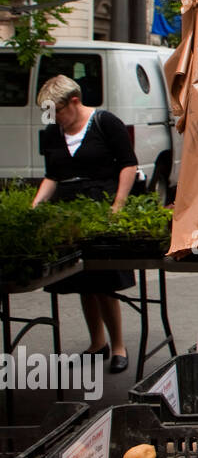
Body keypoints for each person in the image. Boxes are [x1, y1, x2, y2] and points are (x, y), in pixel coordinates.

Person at [30, 75, 139, 374]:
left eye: (56, 110)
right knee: (81, 282)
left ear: (74, 102)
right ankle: (97, 343)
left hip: (101, 208)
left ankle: (118, 345)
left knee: (104, 281)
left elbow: (128, 164)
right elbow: (52, 175)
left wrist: (117, 206)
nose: (53, 118)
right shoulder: (53, 133)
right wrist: (35, 207)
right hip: (67, 213)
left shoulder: (106, 123)